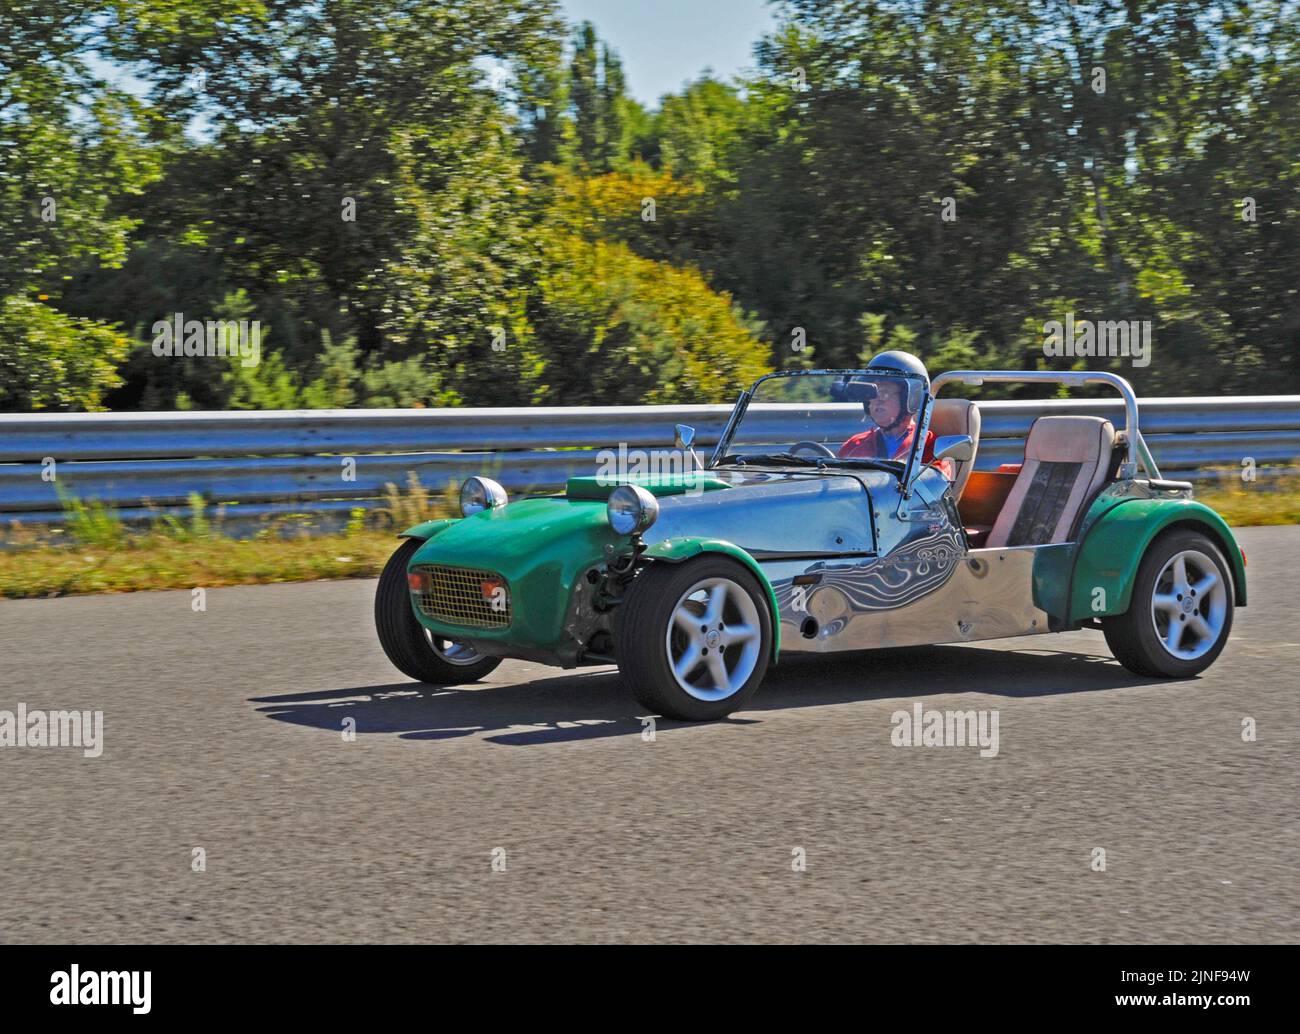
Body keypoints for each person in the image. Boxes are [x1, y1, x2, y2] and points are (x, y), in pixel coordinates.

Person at [838, 350, 954, 479]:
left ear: (910, 398)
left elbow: (938, 489)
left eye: (884, 392)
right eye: (872, 392)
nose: (877, 399)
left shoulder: (932, 448)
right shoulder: (853, 446)